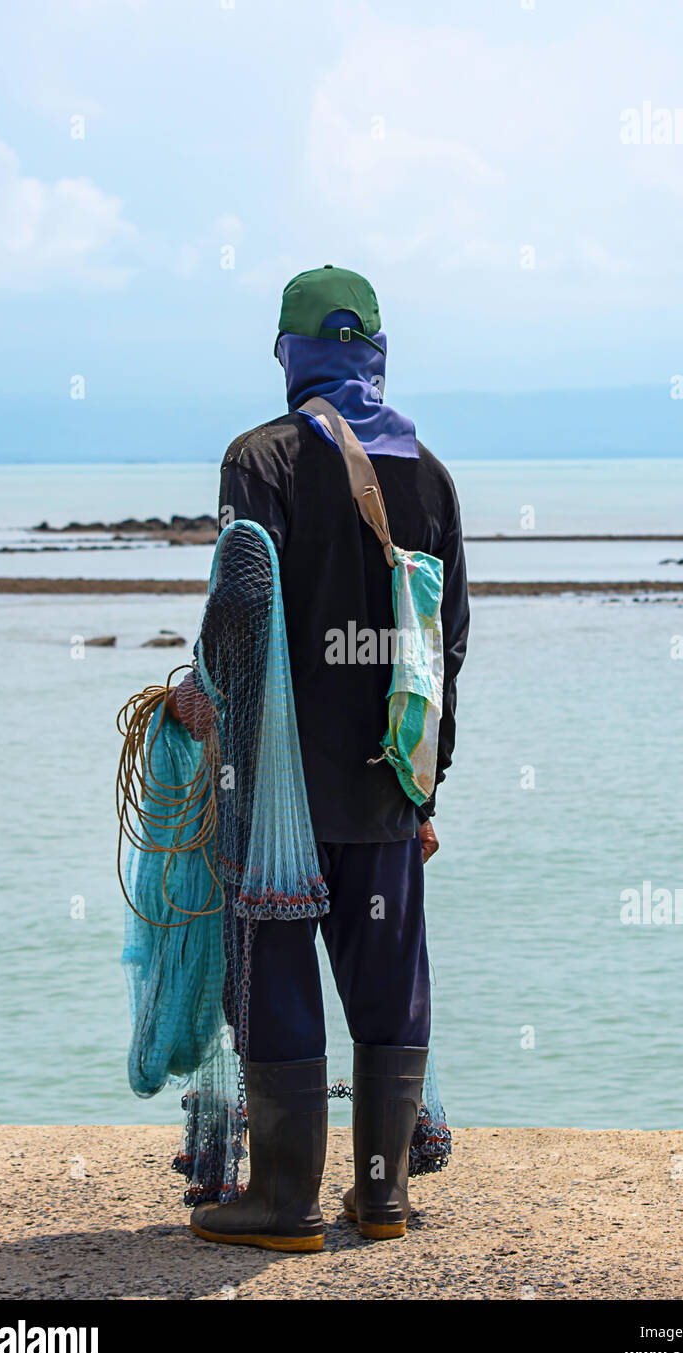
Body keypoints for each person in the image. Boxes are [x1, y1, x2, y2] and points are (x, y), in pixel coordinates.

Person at [174, 265, 469, 1248]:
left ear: (291, 354)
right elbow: (444, 644)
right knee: (387, 980)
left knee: (277, 973)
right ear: (374, 354)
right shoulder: (427, 475)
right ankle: (381, 1197)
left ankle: (284, 1200)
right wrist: (426, 790)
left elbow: (237, 614)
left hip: (276, 791)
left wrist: (195, 700)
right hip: (388, 781)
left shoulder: (255, 459)